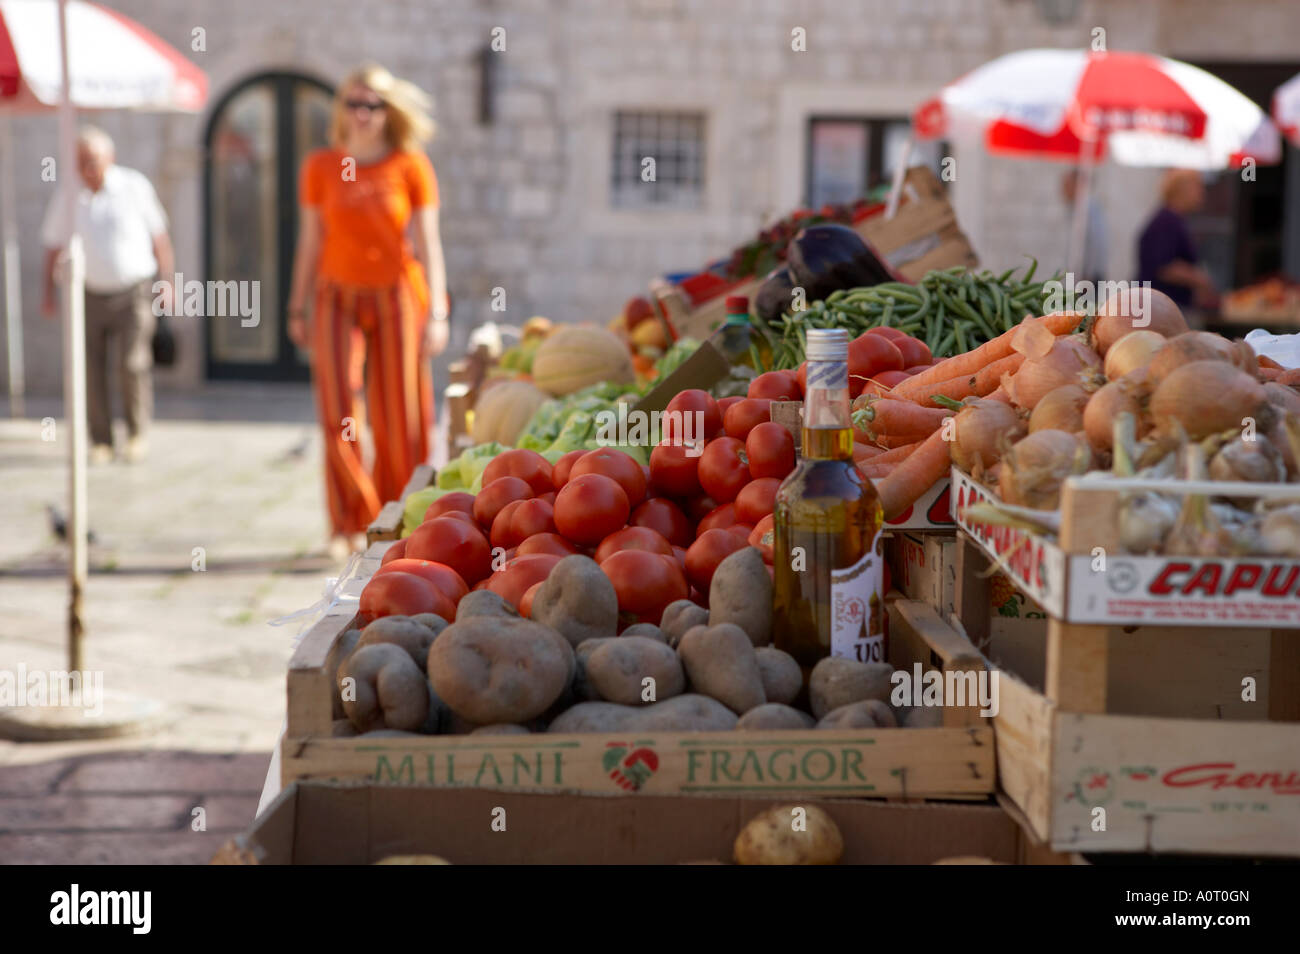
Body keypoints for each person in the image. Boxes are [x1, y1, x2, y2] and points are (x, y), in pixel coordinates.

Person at [287, 64, 449, 556]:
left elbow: (429, 243)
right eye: (353, 104)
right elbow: (311, 240)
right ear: (341, 110)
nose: (362, 114)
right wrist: (297, 305)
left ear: (388, 111)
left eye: (373, 105)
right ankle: (347, 522)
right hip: (335, 296)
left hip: (398, 293)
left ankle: (398, 516)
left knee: (401, 413)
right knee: (337, 409)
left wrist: (438, 311)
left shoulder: (411, 165)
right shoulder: (320, 166)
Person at [40, 126, 174, 465]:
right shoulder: (68, 194)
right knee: (90, 370)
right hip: (88, 293)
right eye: (81, 161)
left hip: (134, 292)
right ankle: (100, 440)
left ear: (109, 159)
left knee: (132, 364)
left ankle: (136, 434)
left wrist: (168, 283)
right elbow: (53, 245)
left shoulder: (134, 186)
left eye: (93, 160)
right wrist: (48, 294)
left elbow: (160, 239)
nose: (88, 168)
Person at [1137, 169, 1216, 310]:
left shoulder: (1174, 220)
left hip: (1163, 305)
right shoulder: (1167, 221)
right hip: (1158, 307)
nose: (1202, 193)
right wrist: (1199, 279)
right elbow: (1163, 266)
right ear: (1183, 189)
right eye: (1198, 187)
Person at [1061, 168, 1108, 286]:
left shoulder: (1088, 209)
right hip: (1081, 276)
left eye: (1067, 184)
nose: (1063, 189)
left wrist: (1088, 274)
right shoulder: (1076, 208)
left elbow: (1097, 242)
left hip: (1088, 278)